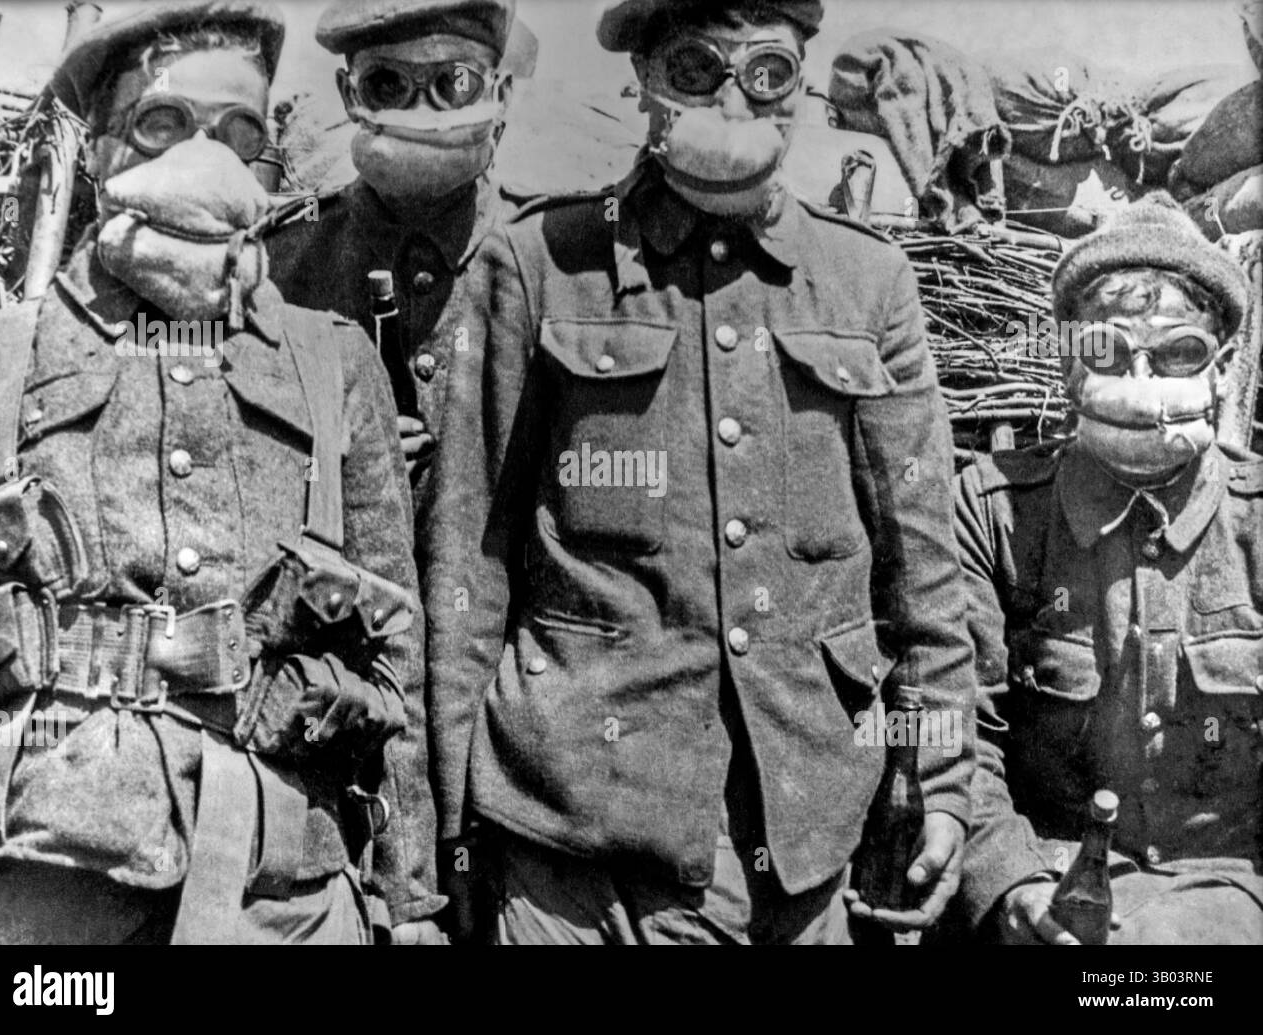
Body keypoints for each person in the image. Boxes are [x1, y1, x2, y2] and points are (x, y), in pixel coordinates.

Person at [424, 0, 977, 945]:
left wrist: (942, 786)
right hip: (576, 838)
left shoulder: (866, 281)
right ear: (642, 80)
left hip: (803, 831)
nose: (731, 92)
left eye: (763, 69)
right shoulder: (540, 265)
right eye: (694, 65)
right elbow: (468, 568)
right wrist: (449, 834)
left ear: (799, 79)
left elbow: (921, 578)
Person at [0, 0, 441, 945]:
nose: (205, 156)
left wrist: (408, 896)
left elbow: (396, 652)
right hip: (45, 881)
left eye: (239, 132)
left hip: (282, 888)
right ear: (99, 151)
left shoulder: (331, 359)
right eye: (163, 124)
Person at [953, 193, 1262, 944]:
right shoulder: (996, 509)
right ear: (1067, 363)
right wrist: (1011, 883)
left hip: (1228, 894)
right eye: (1108, 350)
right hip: (1046, 887)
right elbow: (955, 734)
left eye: (1179, 351)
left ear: (1221, 367)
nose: (1142, 375)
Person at [267, 0, 529, 513]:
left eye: (454, 83)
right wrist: (323, 471)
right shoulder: (282, 266)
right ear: (348, 95)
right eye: (387, 84)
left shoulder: (546, 265)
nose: (421, 112)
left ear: (500, 95)